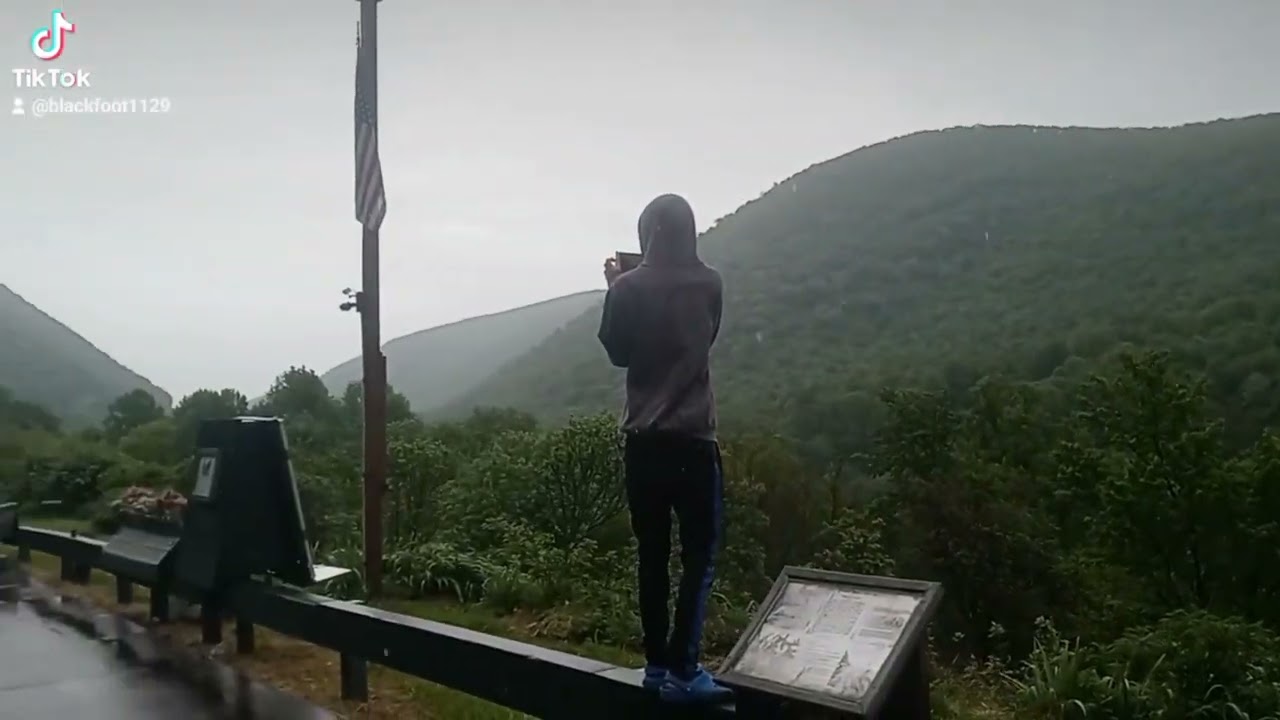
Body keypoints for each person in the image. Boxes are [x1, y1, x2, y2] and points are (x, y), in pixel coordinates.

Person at [597, 193, 732, 704]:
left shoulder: (627, 289)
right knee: (699, 555)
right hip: (694, 440)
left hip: (642, 443)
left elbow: (618, 352)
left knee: (651, 556)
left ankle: (656, 666)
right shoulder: (710, 283)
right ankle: (685, 666)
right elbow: (705, 338)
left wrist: (616, 288)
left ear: (647, 232)